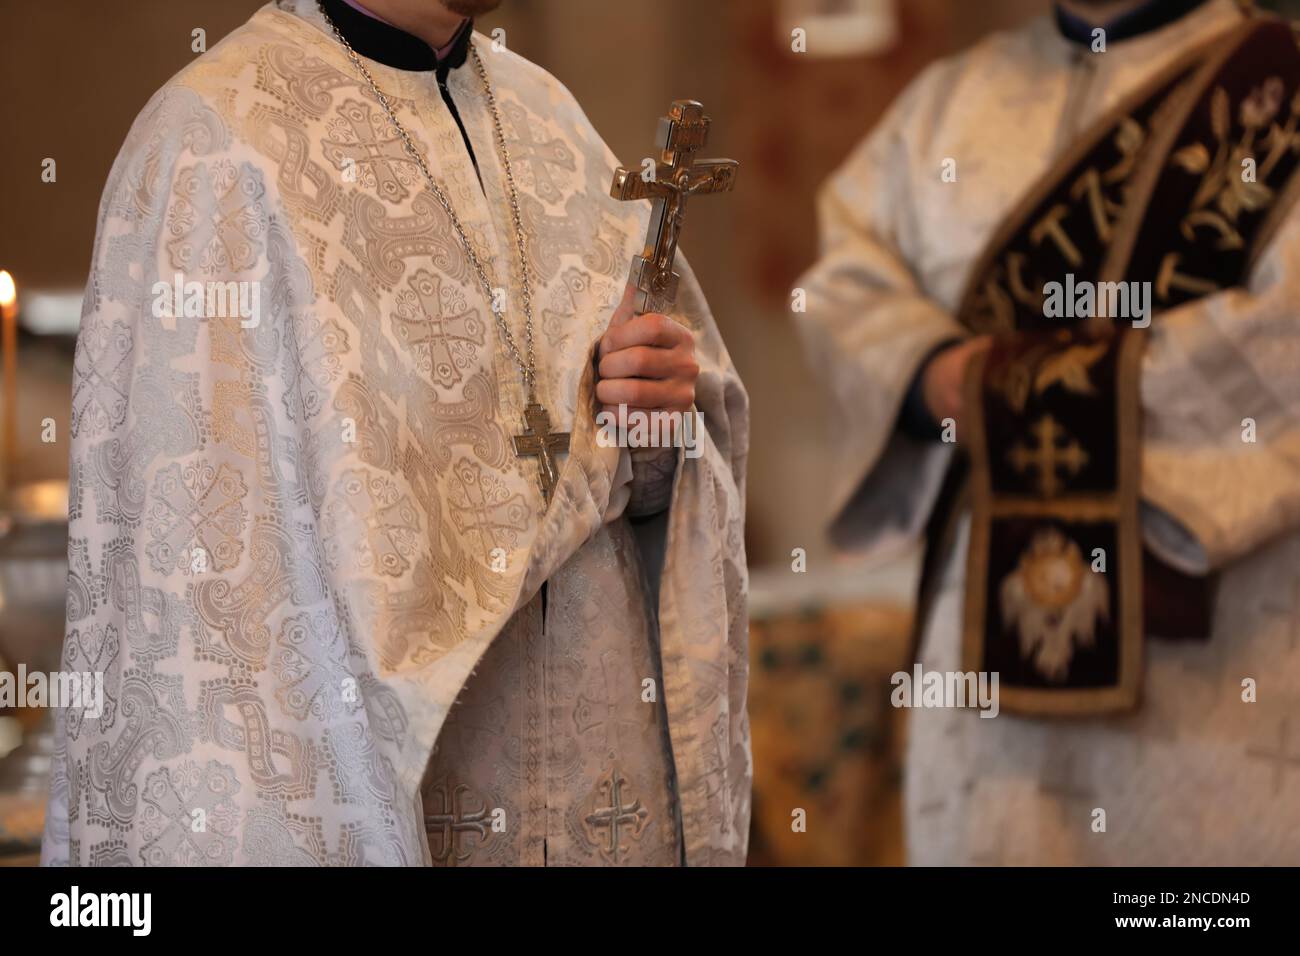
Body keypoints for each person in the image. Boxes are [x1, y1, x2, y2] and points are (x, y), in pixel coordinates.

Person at [41, 0, 750, 867]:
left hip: (603, 804)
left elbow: (664, 470)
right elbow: (211, 615)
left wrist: (656, 432)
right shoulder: (217, 140)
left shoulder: (551, 121)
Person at [797, 0, 1300, 864]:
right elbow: (842, 284)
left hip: (1220, 662)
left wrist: (1014, 390)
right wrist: (928, 373)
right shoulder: (945, 104)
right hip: (981, 684)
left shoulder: (1279, 93)